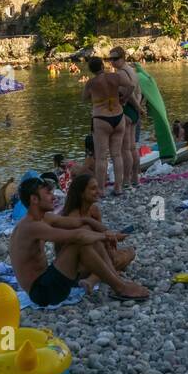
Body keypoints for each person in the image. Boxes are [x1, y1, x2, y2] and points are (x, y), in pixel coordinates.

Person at [8, 178, 147, 305]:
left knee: (87, 233)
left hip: (48, 282)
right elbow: (77, 236)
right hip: (42, 293)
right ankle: (120, 287)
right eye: (48, 193)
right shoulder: (32, 226)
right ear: (34, 199)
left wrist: (107, 232)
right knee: (80, 243)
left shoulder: (44, 218)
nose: (54, 197)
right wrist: (106, 236)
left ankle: (118, 282)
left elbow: (80, 222)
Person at [62, 174, 135, 271]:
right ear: (81, 193)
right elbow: (84, 242)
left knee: (130, 252)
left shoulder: (94, 210)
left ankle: (107, 270)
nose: (98, 192)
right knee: (119, 258)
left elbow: (102, 233)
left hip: (98, 253)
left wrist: (112, 249)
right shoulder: (73, 217)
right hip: (79, 261)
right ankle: (98, 276)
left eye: (98, 188)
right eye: (93, 189)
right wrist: (113, 237)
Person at [83, 56, 126, 196]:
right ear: (102, 65)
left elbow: (84, 98)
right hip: (119, 116)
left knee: (101, 157)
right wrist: (123, 99)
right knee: (117, 154)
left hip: (101, 119)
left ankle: (101, 189)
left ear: (91, 70)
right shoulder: (115, 77)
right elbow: (131, 85)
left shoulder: (91, 83)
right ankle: (119, 187)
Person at [108, 47, 142, 188]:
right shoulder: (131, 70)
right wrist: (138, 108)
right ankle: (135, 178)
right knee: (132, 148)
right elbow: (138, 90)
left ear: (122, 58)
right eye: (110, 59)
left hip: (128, 110)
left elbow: (132, 89)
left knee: (125, 149)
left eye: (115, 59)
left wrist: (128, 101)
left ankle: (126, 180)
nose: (112, 62)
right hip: (133, 111)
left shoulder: (122, 72)